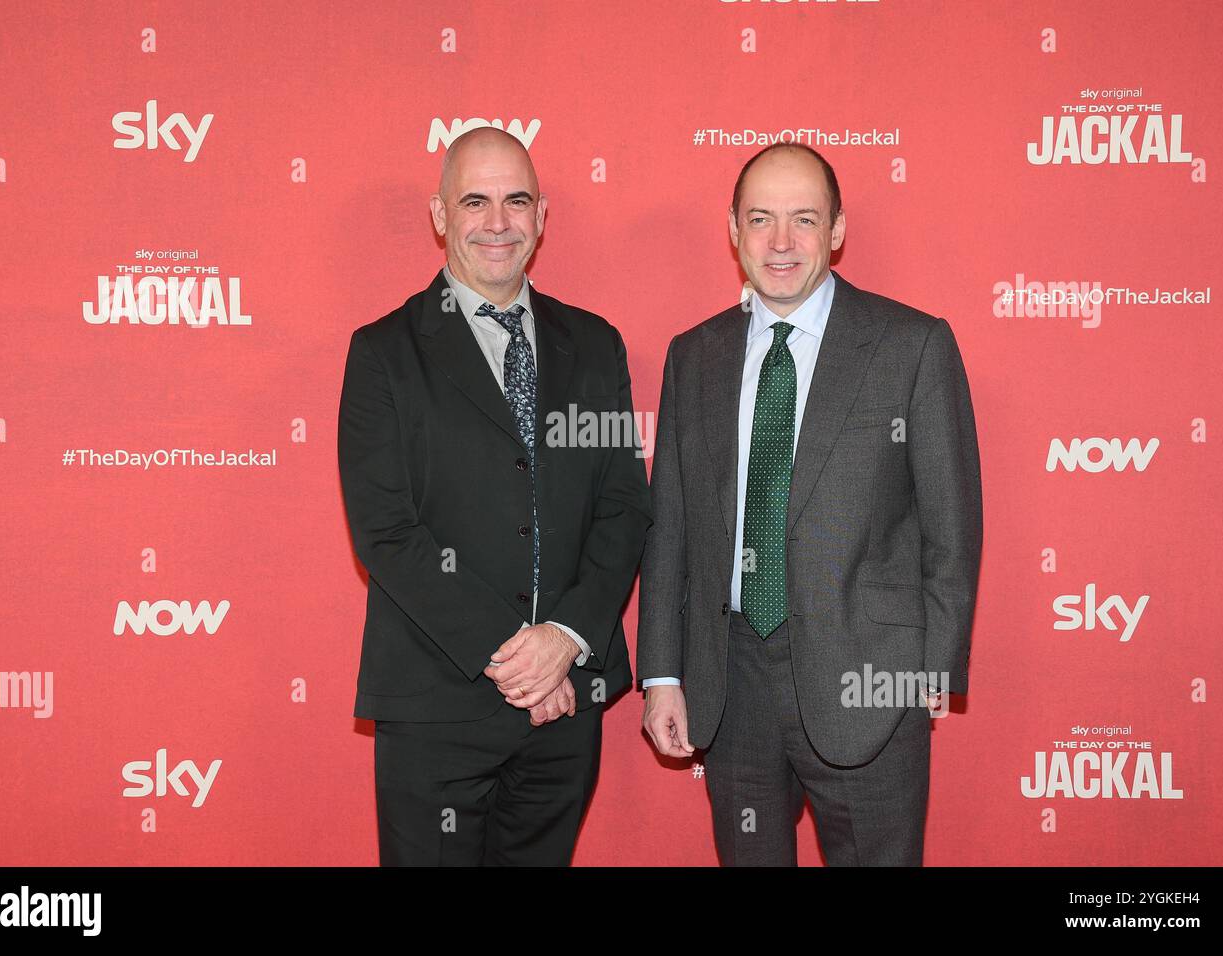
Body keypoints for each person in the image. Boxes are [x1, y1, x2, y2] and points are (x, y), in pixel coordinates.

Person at [637, 143, 982, 866]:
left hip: (870, 680)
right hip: (730, 682)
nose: (782, 243)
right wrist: (664, 675)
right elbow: (669, 529)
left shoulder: (911, 344)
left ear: (838, 229)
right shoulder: (692, 355)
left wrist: (930, 672)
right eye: (761, 219)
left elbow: (953, 527)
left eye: (803, 219)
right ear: (733, 230)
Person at [337, 126, 651, 865]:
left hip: (567, 704)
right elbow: (387, 531)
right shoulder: (384, 352)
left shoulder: (595, 345)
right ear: (441, 216)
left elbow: (622, 508)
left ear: (542, 216)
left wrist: (564, 641)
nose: (498, 222)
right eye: (475, 201)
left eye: (517, 201)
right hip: (436, 705)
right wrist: (518, 658)